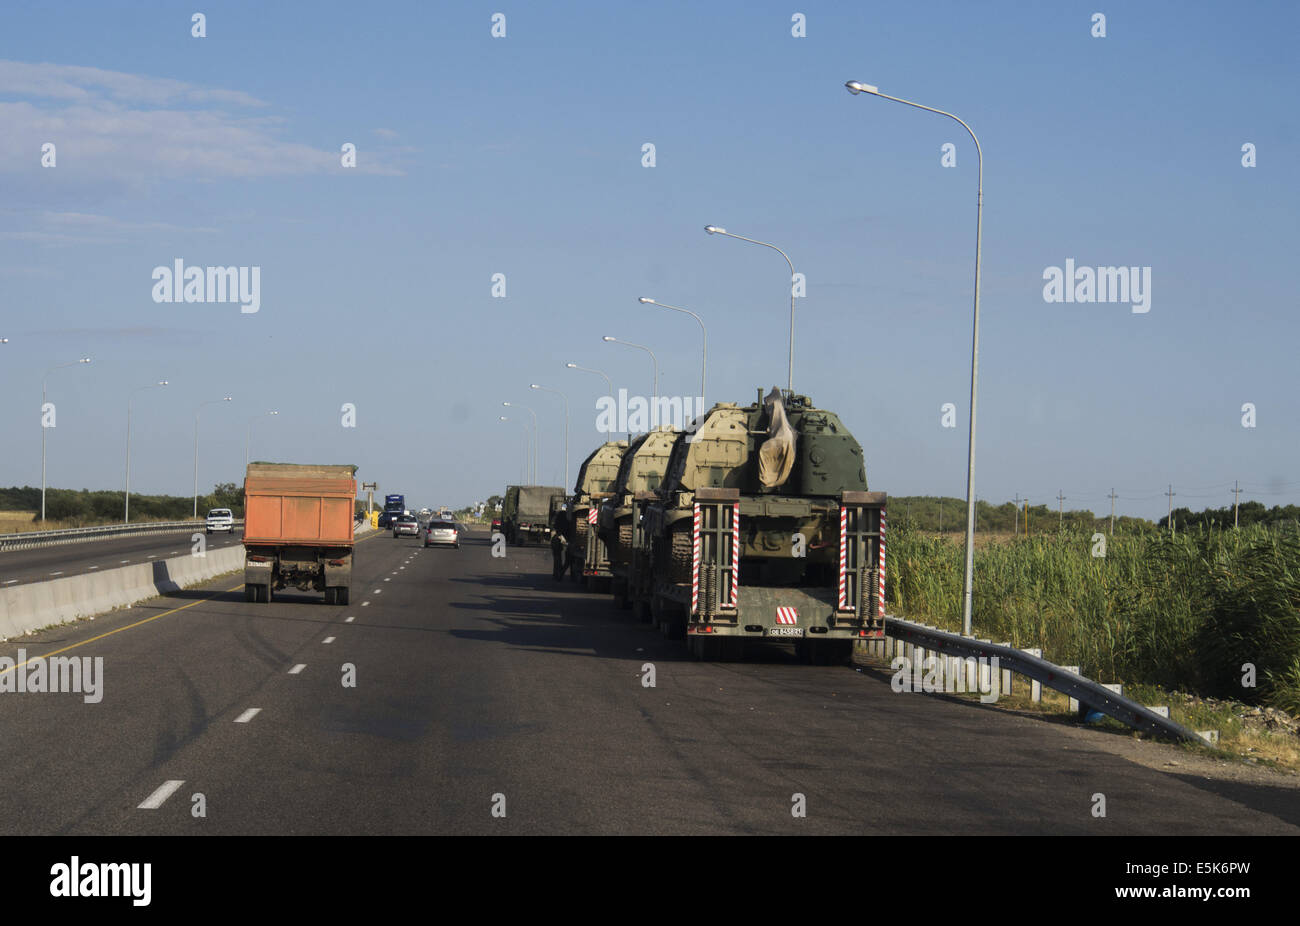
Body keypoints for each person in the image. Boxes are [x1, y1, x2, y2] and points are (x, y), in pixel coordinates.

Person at [550, 510, 570, 580]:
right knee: (560, 560)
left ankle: (557, 574)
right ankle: (559, 574)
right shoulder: (566, 523)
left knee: (557, 559)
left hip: (556, 543)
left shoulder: (557, 523)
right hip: (559, 543)